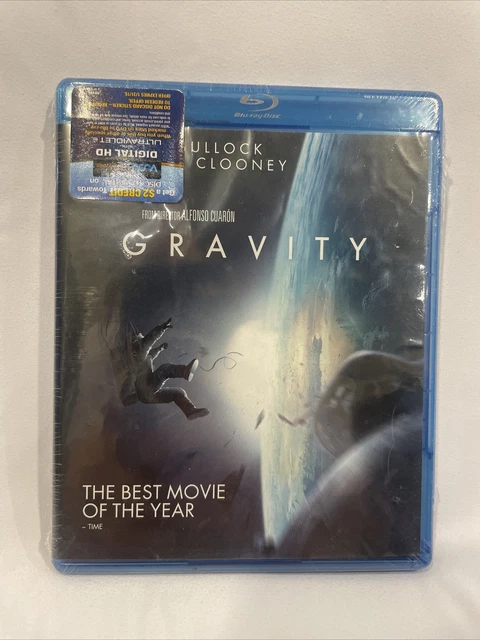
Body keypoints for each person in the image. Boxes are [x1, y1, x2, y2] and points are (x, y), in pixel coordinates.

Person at [119, 317, 209, 420]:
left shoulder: (140, 358)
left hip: (147, 396)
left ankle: (189, 410)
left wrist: (160, 348)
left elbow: (151, 354)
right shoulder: (137, 352)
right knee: (164, 369)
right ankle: (184, 371)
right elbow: (149, 340)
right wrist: (161, 328)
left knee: (177, 393)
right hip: (145, 387)